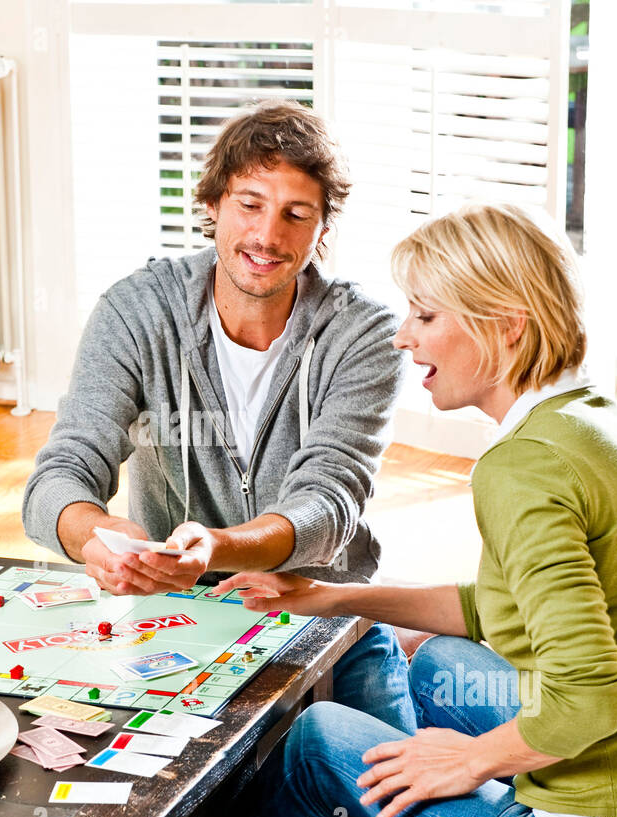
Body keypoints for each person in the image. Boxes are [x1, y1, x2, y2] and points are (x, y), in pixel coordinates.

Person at [218, 203, 617, 817]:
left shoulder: (520, 467)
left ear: (506, 326)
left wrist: (473, 761)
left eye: (425, 315)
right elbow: (492, 605)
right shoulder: (601, 421)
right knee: (440, 669)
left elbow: (589, 702)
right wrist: (332, 598)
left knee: (315, 741)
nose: (403, 337)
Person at [22, 101, 407, 600]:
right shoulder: (136, 311)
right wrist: (96, 538)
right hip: (172, 598)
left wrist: (218, 547)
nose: (267, 236)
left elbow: (327, 502)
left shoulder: (364, 332)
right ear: (212, 204)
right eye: (250, 205)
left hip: (319, 598)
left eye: (296, 214)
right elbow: (60, 474)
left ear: (322, 231)